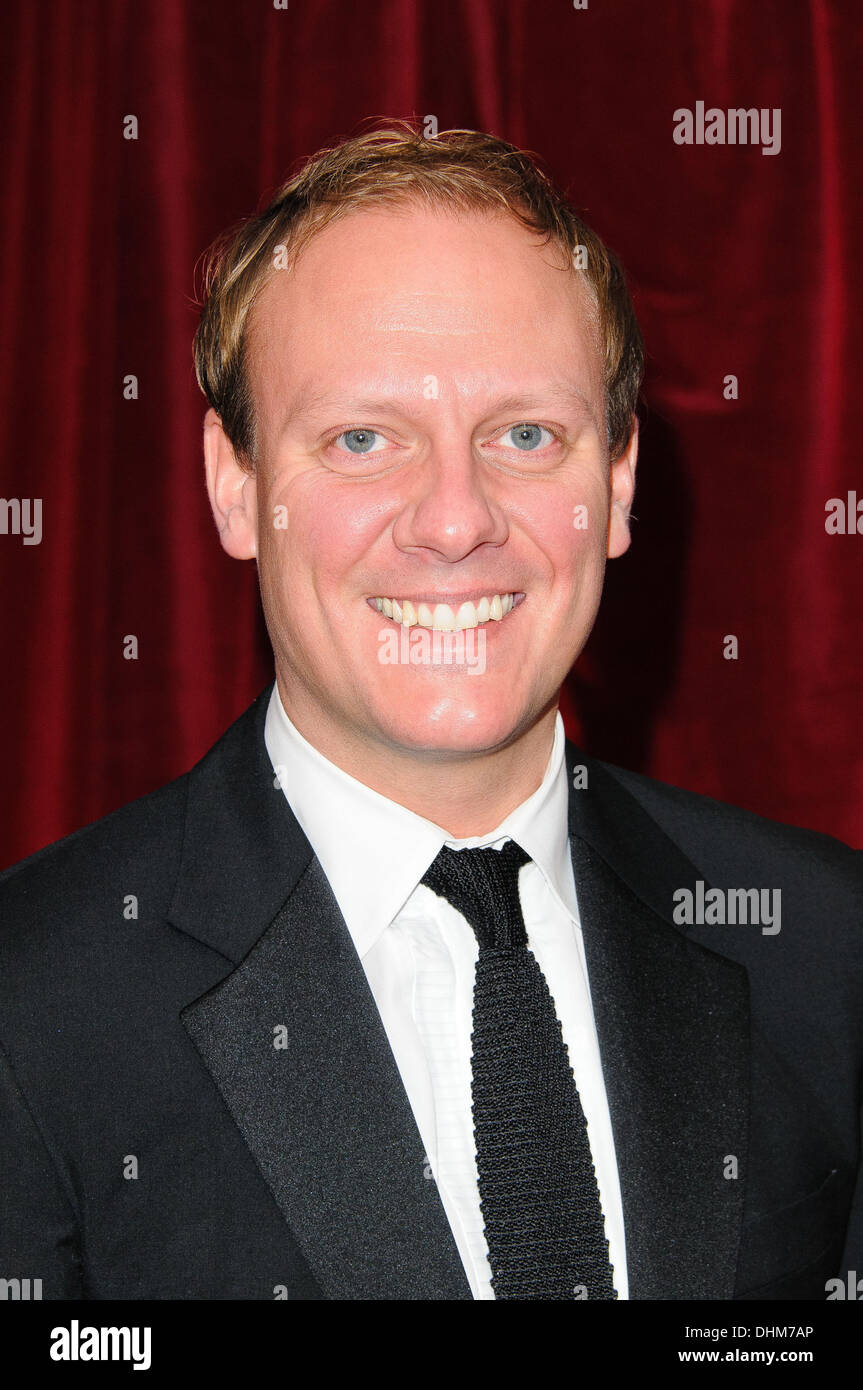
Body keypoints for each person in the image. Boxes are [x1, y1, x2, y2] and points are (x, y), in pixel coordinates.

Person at [1, 122, 860, 1301]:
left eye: (523, 435)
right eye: (362, 438)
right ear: (233, 486)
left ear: (614, 486)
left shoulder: (826, 946)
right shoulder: (31, 1006)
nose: (454, 520)